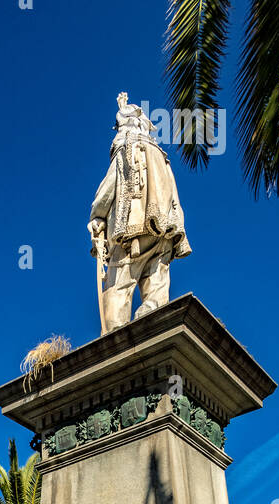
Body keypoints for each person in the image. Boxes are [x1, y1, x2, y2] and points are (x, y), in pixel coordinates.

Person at [88, 92, 191, 332]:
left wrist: (97, 217)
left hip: (131, 230)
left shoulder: (126, 149)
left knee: (119, 284)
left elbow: (108, 190)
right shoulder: (161, 156)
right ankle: (153, 327)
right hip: (164, 231)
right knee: (157, 282)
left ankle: (115, 336)